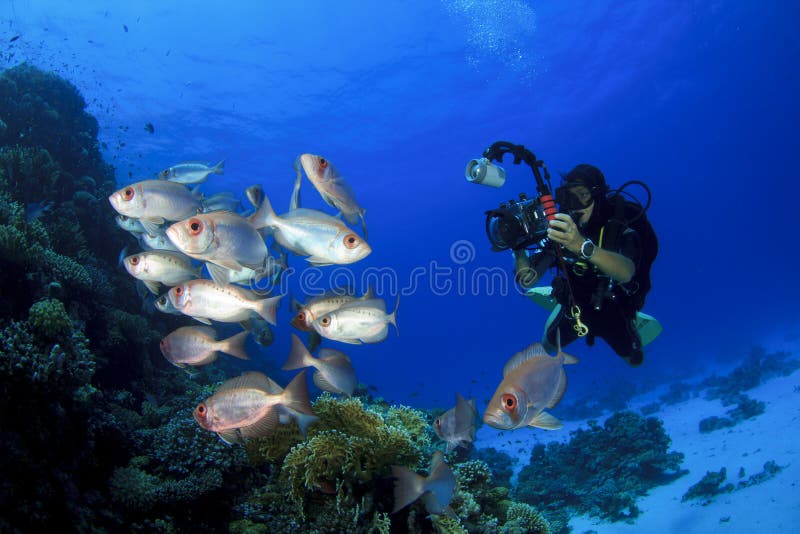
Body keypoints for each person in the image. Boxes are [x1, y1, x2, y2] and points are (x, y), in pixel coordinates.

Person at [513, 164, 645, 366]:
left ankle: (633, 323)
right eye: (568, 196)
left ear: (598, 196)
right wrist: (518, 248)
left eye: (582, 195)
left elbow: (626, 272)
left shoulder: (618, 230)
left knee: (635, 360)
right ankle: (555, 300)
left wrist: (580, 245)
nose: (575, 204)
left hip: (612, 307)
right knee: (547, 346)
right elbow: (527, 279)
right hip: (574, 307)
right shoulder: (559, 233)